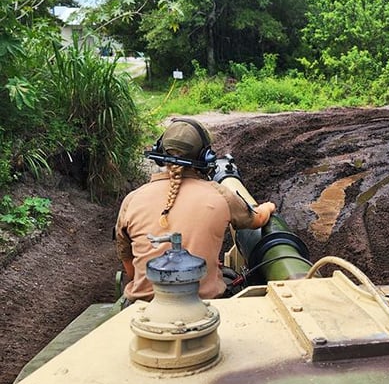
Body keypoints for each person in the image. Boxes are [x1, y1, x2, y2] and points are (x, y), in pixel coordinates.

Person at [115, 118, 276, 303]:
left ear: (160, 150)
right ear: (204, 156)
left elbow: (129, 265)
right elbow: (257, 219)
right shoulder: (220, 194)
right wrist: (268, 207)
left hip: (143, 307)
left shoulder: (132, 199)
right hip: (203, 305)